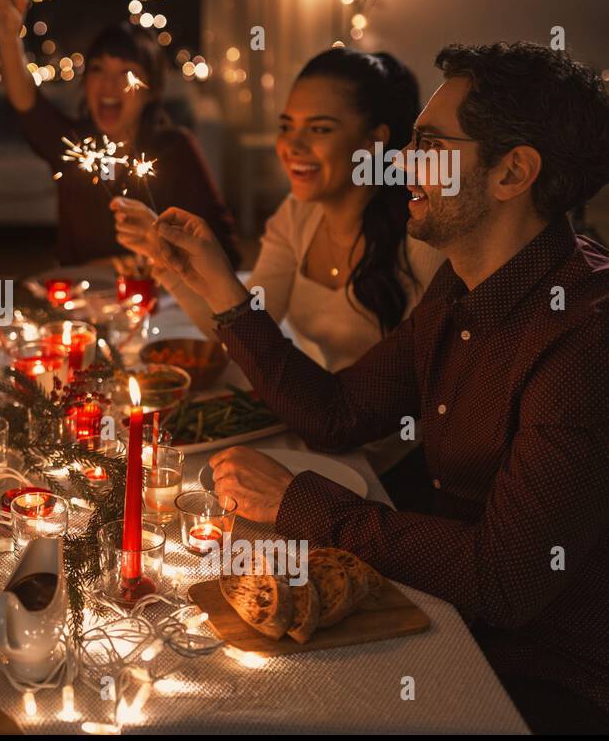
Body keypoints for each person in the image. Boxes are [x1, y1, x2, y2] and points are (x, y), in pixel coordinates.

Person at [148, 41, 609, 733]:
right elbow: (341, 413)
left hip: (541, 681)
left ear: (512, 172)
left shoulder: (582, 336)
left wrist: (301, 501)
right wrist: (219, 283)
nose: (399, 163)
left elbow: (505, 580)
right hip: (445, 611)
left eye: (428, 143)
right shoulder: (462, 282)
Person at [113, 47, 447, 477]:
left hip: (394, 457)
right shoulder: (298, 214)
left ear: (374, 140)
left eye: (320, 128)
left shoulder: (422, 237)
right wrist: (167, 261)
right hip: (314, 418)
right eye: (286, 127)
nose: (293, 146)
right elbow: (247, 335)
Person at [0, 0, 239, 267]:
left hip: (160, 297)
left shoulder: (175, 149)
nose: (109, 84)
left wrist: (160, 245)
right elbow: (29, 107)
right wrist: (9, 38)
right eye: (98, 69)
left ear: (151, 89)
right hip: (84, 297)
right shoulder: (74, 145)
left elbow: (226, 251)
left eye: (126, 73)